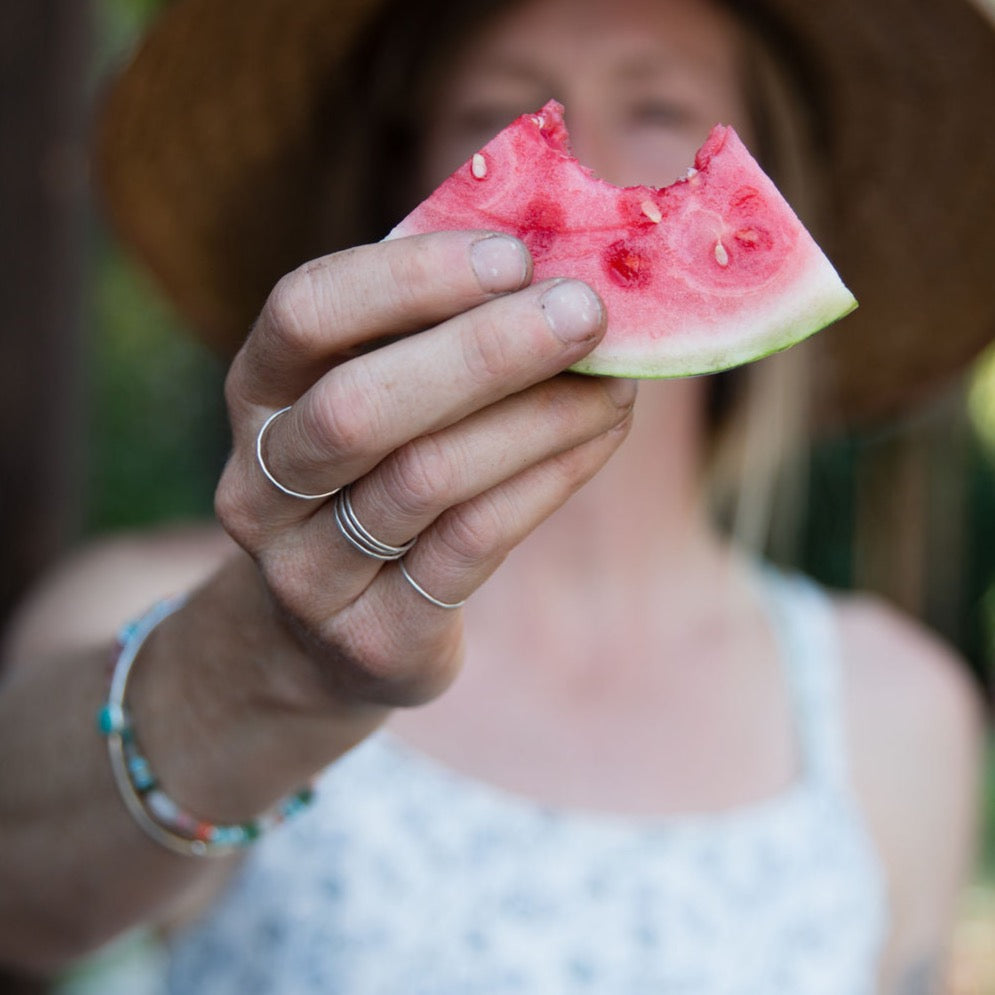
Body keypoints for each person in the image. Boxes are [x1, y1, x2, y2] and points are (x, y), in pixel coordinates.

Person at [1, 0, 994, 991]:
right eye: (494, 112)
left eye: (658, 110)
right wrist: (260, 664)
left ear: (774, 190)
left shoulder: (893, 715)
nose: (586, 162)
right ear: (404, 184)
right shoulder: (157, 613)